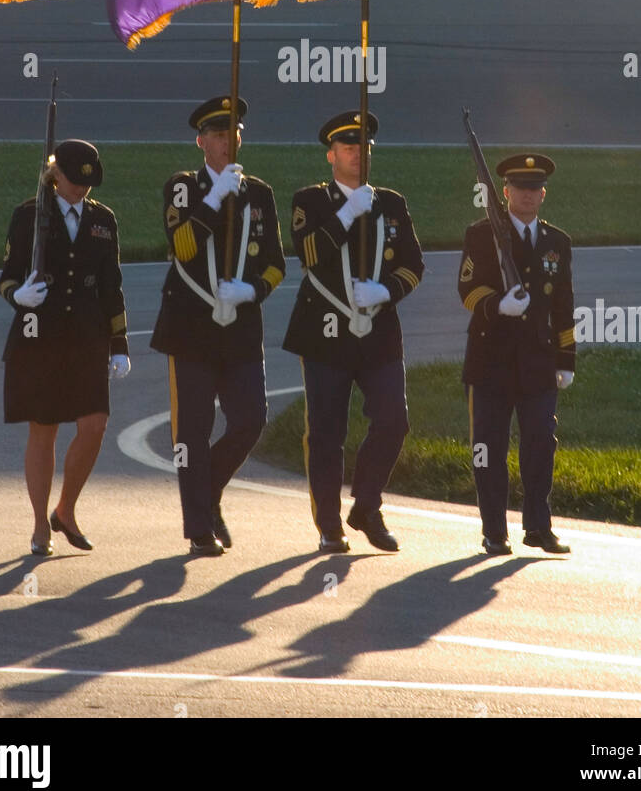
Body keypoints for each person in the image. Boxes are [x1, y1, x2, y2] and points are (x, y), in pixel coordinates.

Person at [283, 111, 424, 553]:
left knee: (393, 421)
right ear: (331, 155)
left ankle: (366, 506)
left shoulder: (392, 202)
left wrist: (385, 289)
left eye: (364, 148)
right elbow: (309, 255)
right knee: (326, 432)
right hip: (325, 334)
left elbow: (413, 264)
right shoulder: (310, 201)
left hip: (379, 332)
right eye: (348, 148)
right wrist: (346, 215)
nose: (357, 155)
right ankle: (329, 525)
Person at [150, 96, 285, 557]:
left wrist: (252, 291)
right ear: (201, 141)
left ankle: (208, 493)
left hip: (241, 329)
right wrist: (213, 198)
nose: (230, 142)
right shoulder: (183, 188)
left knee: (250, 420)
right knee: (193, 429)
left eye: (235, 133)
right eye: (219, 135)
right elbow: (184, 247)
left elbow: (275, 264)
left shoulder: (259, 194)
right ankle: (199, 527)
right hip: (190, 329)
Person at [0, 140, 130, 556]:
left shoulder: (103, 220)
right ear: (55, 174)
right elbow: (7, 276)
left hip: (88, 337)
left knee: (95, 425)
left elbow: (112, 286)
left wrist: (119, 343)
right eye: (75, 182)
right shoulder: (28, 216)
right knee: (45, 427)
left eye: (88, 183)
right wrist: (19, 296)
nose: (82, 190)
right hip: (41, 335)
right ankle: (41, 525)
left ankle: (66, 509)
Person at [457, 154, 576, 556]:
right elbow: (467, 288)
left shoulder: (557, 242)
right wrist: (497, 304)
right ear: (505, 192)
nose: (527, 195)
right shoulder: (481, 234)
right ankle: (494, 531)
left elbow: (563, 303)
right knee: (488, 449)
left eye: (534, 189)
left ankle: (538, 527)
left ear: (543, 194)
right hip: (491, 360)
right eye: (519, 189)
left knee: (541, 443)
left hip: (538, 362)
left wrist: (566, 359)